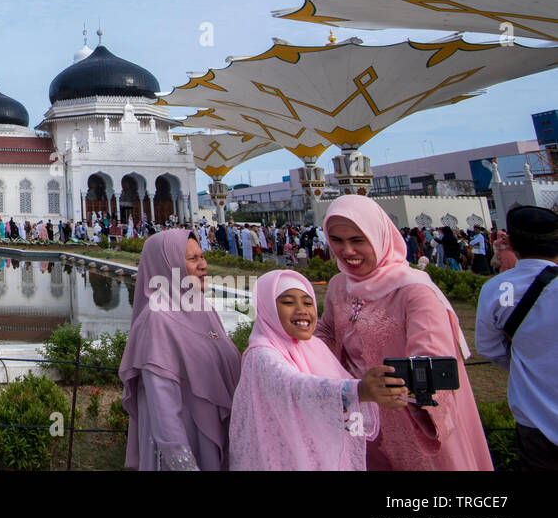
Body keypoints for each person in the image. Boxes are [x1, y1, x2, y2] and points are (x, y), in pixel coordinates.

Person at [315, 194, 492, 471]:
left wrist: (397, 390)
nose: (346, 250)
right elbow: (326, 333)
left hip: (411, 422)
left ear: (379, 236)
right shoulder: (341, 285)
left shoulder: (414, 291)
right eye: (336, 240)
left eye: (358, 240)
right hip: (362, 418)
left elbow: (432, 359)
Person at [230, 270, 407, 470]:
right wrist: (358, 391)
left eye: (307, 303)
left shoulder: (313, 346)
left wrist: (378, 392)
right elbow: (296, 387)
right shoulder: (261, 354)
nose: (302, 310)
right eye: (288, 302)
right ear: (266, 307)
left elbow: (339, 384)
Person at [117, 228, 242, 470]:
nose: (203, 265)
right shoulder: (157, 320)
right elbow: (164, 413)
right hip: (189, 446)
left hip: (215, 440)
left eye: (202, 257)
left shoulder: (203, 309)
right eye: (193, 259)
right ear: (168, 265)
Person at [475, 206, 558, 470]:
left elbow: (489, 348)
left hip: (534, 419)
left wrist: (526, 365)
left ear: (509, 241)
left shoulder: (496, 289)